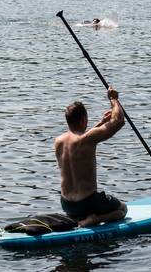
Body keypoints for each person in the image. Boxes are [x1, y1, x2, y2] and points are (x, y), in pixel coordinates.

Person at [55, 87, 128, 227]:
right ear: (83, 119)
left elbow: (80, 139)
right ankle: (95, 219)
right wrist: (113, 99)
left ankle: (80, 217)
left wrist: (101, 124)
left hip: (67, 205)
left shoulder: (58, 141)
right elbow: (119, 121)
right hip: (88, 202)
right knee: (122, 209)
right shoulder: (87, 140)